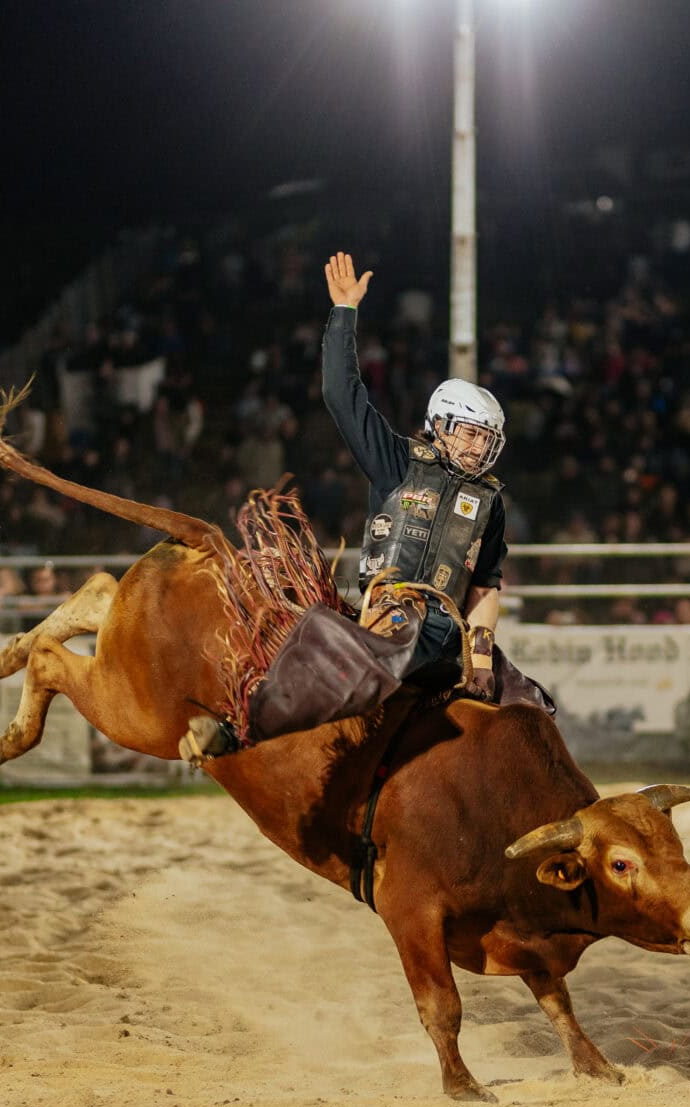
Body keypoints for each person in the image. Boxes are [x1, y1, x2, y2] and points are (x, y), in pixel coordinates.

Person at [182, 251, 510, 761]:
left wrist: (483, 654)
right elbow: (342, 393)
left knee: (529, 703)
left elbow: (486, 583)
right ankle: (241, 730)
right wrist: (344, 315)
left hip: (452, 635)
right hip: (394, 616)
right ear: (441, 425)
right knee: (353, 671)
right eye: (470, 433)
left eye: (485, 438)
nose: (477, 447)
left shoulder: (489, 499)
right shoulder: (398, 460)